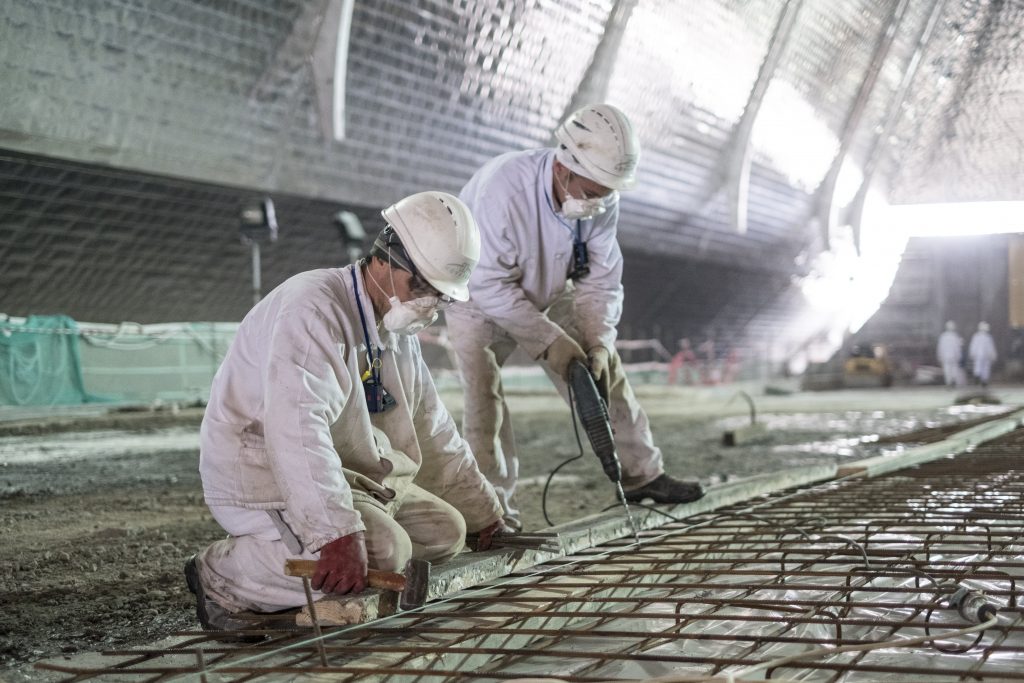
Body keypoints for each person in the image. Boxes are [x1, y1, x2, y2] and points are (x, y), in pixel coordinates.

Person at [185, 192, 507, 630]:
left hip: (346, 475)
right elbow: (297, 431)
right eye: (422, 288)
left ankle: (307, 561)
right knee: (384, 553)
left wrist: (482, 510)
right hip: (266, 474)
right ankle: (225, 576)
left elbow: (433, 429)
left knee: (447, 532)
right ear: (386, 258)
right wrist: (336, 532)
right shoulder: (313, 308)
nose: (430, 305)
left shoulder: (396, 330)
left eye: (441, 296)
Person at [445, 103, 704, 530]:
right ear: (564, 166)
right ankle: (490, 512)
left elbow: (601, 281)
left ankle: (642, 473)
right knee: (482, 396)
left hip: (549, 287)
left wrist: (597, 341)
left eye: (609, 190)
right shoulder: (503, 190)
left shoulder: (600, 201)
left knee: (605, 371)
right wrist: (549, 342)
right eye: (593, 188)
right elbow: (490, 284)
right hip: (478, 296)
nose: (600, 198)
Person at [968, 321, 998, 389]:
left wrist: (972, 353)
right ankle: (980, 379)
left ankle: (982, 380)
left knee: (983, 368)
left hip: (984, 355)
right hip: (981, 355)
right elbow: (974, 346)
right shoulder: (981, 337)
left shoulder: (986, 337)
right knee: (982, 368)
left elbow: (990, 347)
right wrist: (993, 355)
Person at [936, 321, 963, 388]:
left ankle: (949, 382)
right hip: (954, 356)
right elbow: (958, 348)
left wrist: (940, 356)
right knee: (954, 369)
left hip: (946, 356)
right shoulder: (955, 336)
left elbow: (940, 347)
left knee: (947, 370)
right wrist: (959, 356)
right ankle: (953, 381)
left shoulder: (943, 337)